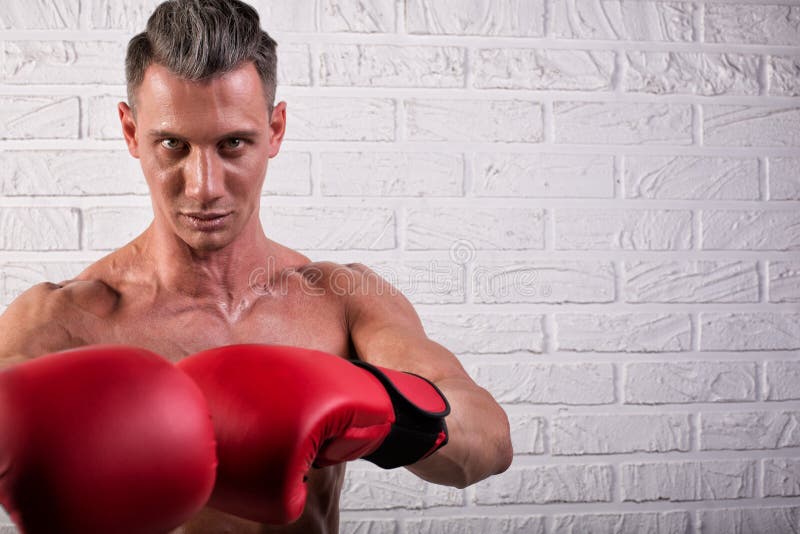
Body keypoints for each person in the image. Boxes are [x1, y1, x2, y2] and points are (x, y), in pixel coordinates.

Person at [0, 0, 513, 532]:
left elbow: (490, 442)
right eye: (173, 144)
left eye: (233, 144)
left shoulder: (341, 300)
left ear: (276, 129)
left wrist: (373, 407)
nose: (204, 186)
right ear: (131, 133)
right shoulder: (63, 319)